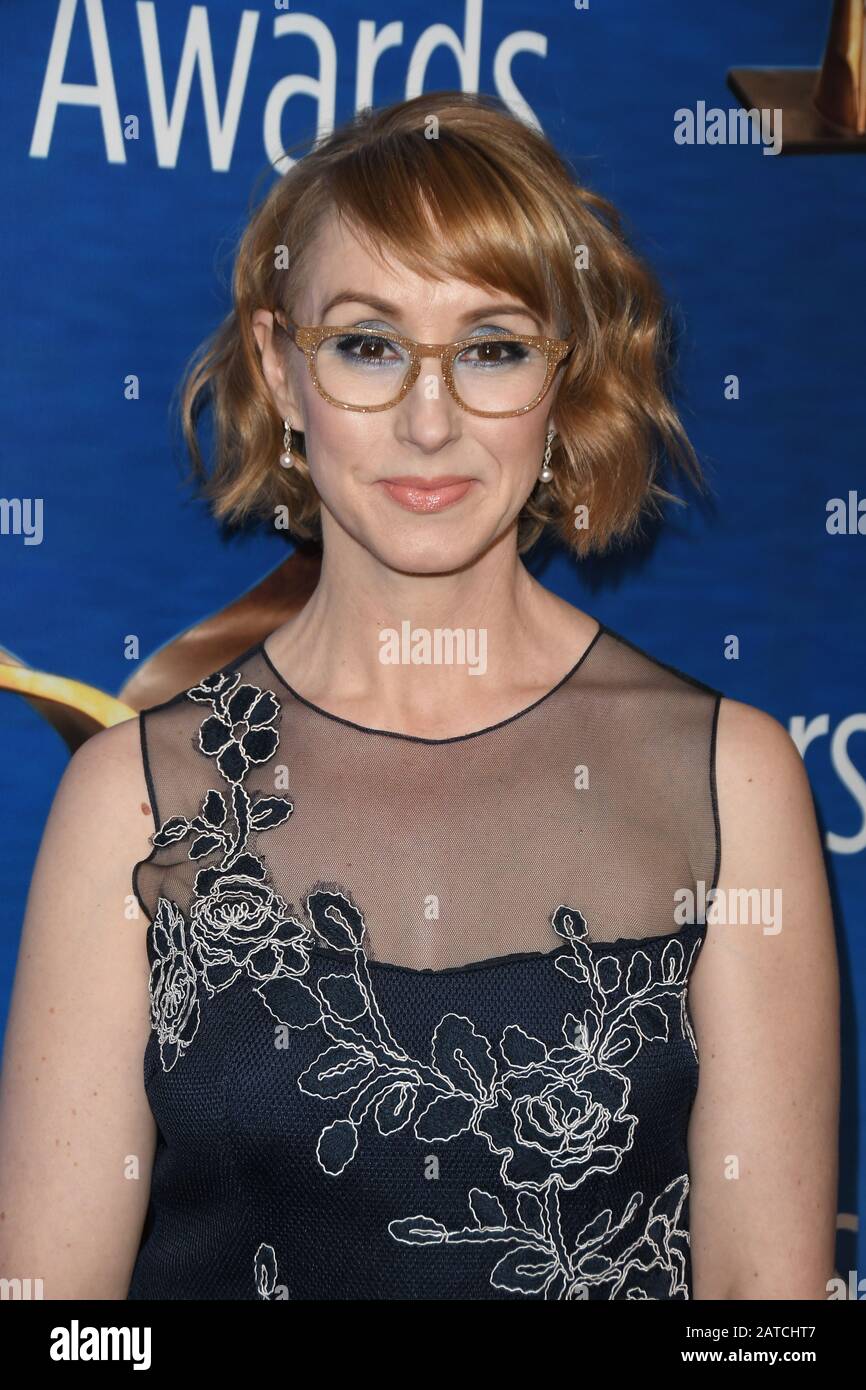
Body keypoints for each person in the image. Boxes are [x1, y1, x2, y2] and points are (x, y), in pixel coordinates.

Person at [0, 90, 839, 1301]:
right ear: (278, 371)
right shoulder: (130, 806)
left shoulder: (730, 783)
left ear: (562, 380)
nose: (429, 418)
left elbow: (766, 1323)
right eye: (366, 344)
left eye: (491, 346)